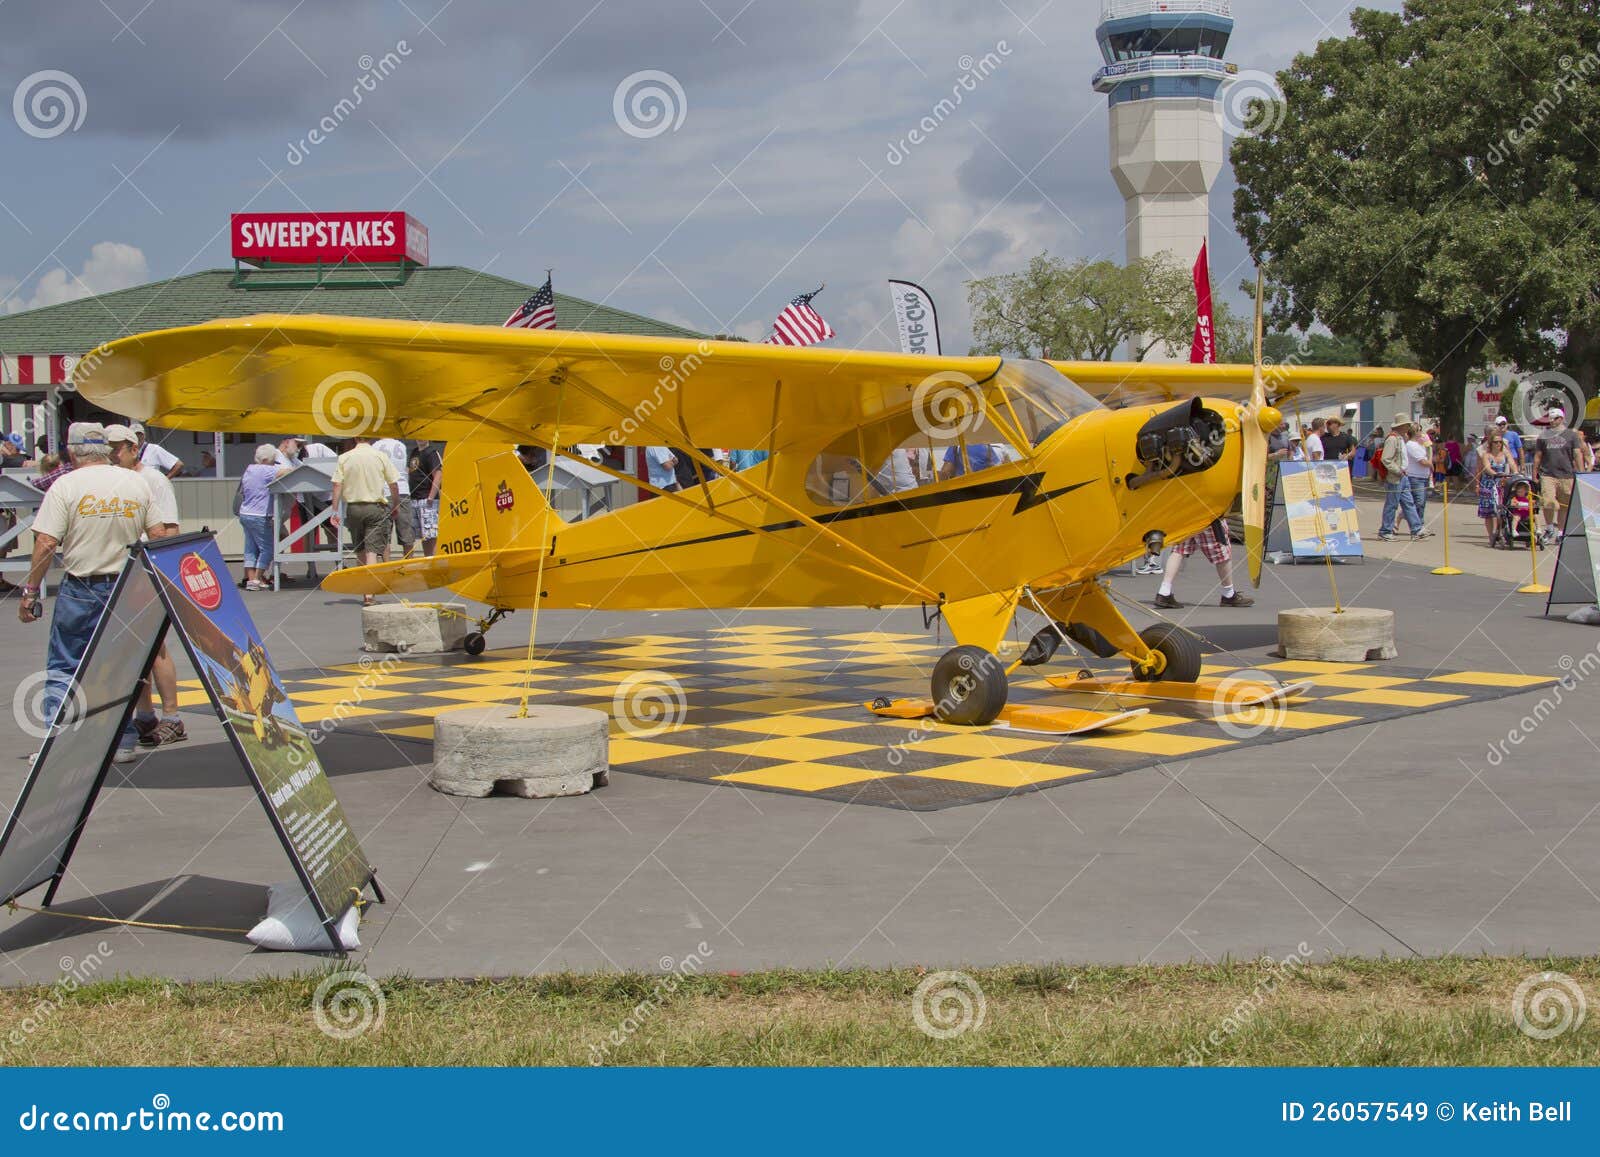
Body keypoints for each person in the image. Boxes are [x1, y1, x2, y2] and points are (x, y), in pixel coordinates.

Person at [18, 423, 163, 761]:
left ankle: (57, 741)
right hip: (129, 583)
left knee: (65, 664)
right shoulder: (135, 482)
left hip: (83, 585)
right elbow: (157, 532)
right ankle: (122, 741)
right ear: (105, 450)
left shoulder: (65, 485)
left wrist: (30, 591)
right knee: (119, 665)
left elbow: (47, 542)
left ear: (72, 451)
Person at [107, 424, 187, 753]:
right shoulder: (115, 481)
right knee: (133, 648)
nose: (112, 454)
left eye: (116, 448)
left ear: (133, 447)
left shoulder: (153, 479)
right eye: (108, 448)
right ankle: (146, 713)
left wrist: (158, 574)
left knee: (156, 648)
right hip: (123, 572)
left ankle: (173, 716)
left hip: (147, 572)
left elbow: (168, 529)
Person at [329, 434, 401, 604]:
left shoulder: (344, 457)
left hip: (353, 508)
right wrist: (396, 504)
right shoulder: (380, 456)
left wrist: (334, 510)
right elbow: (394, 483)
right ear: (372, 439)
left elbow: (337, 484)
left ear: (355, 439)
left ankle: (363, 588)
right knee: (372, 551)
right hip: (375, 507)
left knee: (359, 549)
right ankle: (370, 594)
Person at [1154, 519, 1254, 609]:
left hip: (1187, 513)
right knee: (1222, 552)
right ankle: (1229, 594)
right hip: (1208, 514)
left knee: (1179, 550)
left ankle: (1164, 591)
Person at [238, 443, 291, 590]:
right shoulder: (267, 470)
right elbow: (288, 471)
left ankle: (250, 580)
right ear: (268, 459)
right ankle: (256, 579)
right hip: (260, 515)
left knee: (250, 548)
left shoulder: (250, 469)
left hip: (245, 513)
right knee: (268, 548)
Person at [1532, 406, 1580, 544]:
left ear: (1562, 418)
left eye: (1555, 418)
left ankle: (1560, 532)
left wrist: (1582, 472)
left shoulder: (1571, 435)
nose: (1552, 421)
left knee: (1564, 505)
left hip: (1567, 475)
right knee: (1548, 502)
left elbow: (1577, 454)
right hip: (1548, 474)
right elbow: (1538, 456)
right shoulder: (1543, 436)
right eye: (1550, 419)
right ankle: (1549, 528)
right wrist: (1534, 474)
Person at [1377, 416, 1425, 540]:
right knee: (1392, 504)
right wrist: (1398, 471)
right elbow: (1386, 458)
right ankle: (1385, 531)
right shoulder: (1393, 439)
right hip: (1395, 477)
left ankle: (1416, 529)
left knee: (1409, 503)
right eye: (1407, 425)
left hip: (1402, 476)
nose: (1408, 427)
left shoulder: (1400, 438)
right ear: (1401, 426)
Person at [372, 434, 414, 559]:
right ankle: (408, 564)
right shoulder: (402, 445)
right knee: (406, 532)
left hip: (385, 491)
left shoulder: (376, 446)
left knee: (385, 534)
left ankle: (387, 565)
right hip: (403, 489)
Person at [1474, 432, 1514, 542]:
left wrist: (1516, 473)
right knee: (1489, 511)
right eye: (1496, 442)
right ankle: (1491, 535)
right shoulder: (1486, 455)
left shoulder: (1506, 454)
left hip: (1503, 483)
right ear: (1491, 443)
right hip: (1488, 484)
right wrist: (1495, 474)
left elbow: (1512, 464)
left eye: (1500, 442)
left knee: (1501, 510)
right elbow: (1487, 468)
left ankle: (1500, 532)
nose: (1498, 444)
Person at [409, 439, 443, 556]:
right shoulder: (414, 452)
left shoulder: (432, 452)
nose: (420, 438)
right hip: (415, 499)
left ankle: (434, 561)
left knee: (431, 534)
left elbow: (438, 475)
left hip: (427, 500)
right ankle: (428, 559)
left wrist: (431, 497)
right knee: (424, 536)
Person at [1404, 425, 1434, 524]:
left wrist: (1429, 447)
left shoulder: (1420, 444)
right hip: (1415, 478)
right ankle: (1418, 526)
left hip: (1423, 477)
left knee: (1420, 503)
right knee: (1419, 503)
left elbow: (1428, 456)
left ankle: (1418, 524)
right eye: (1420, 430)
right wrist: (1430, 464)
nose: (1422, 432)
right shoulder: (1411, 445)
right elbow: (1423, 462)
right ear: (1415, 432)